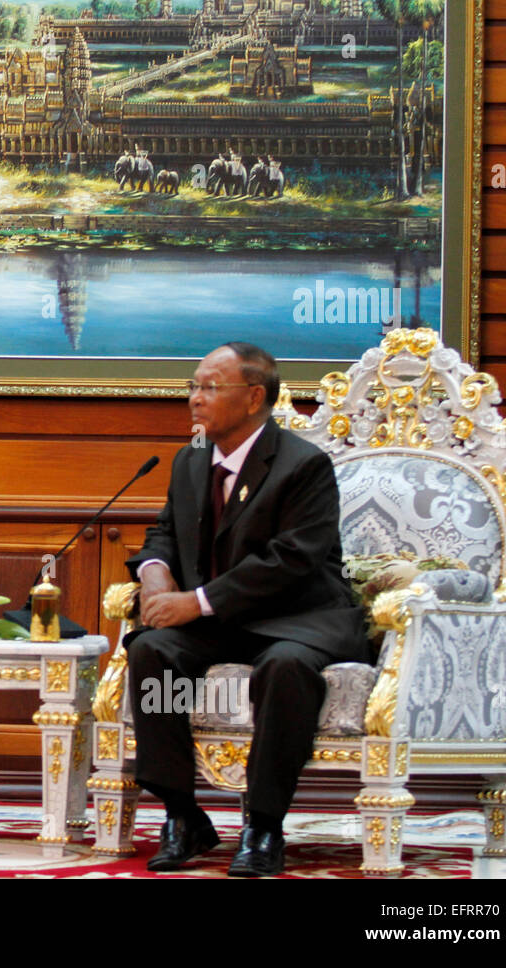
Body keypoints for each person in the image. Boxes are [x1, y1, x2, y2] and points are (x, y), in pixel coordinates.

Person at [125, 342, 368, 877]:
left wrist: (196, 601)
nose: (194, 399)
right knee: (152, 651)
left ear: (254, 397)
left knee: (284, 667)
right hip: (226, 623)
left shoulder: (304, 465)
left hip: (300, 617)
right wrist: (154, 574)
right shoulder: (190, 461)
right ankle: (183, 816)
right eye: (193, 386)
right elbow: (165, 531)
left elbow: (291, 561)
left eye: (210, 387)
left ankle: (262, 826)